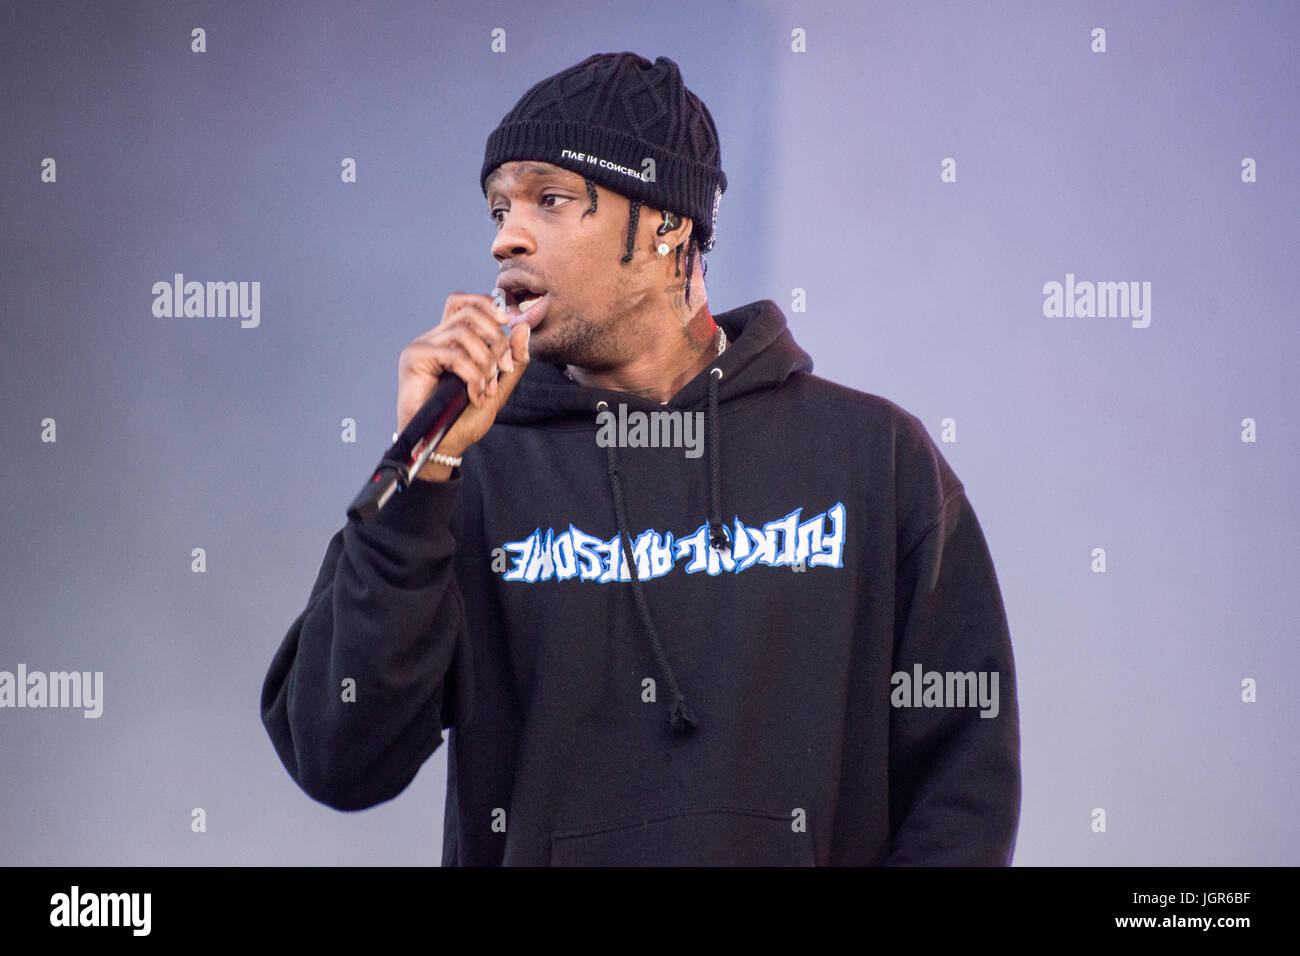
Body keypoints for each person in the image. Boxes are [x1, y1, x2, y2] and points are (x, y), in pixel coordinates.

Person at [261, 51, 1021, 865]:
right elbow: (337, 758)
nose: (506, 238)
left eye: (549, 200)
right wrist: (416, 483)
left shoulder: (874, 459)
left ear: (668, 223)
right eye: (497, 209)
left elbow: (961, 785)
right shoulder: (468, 472)